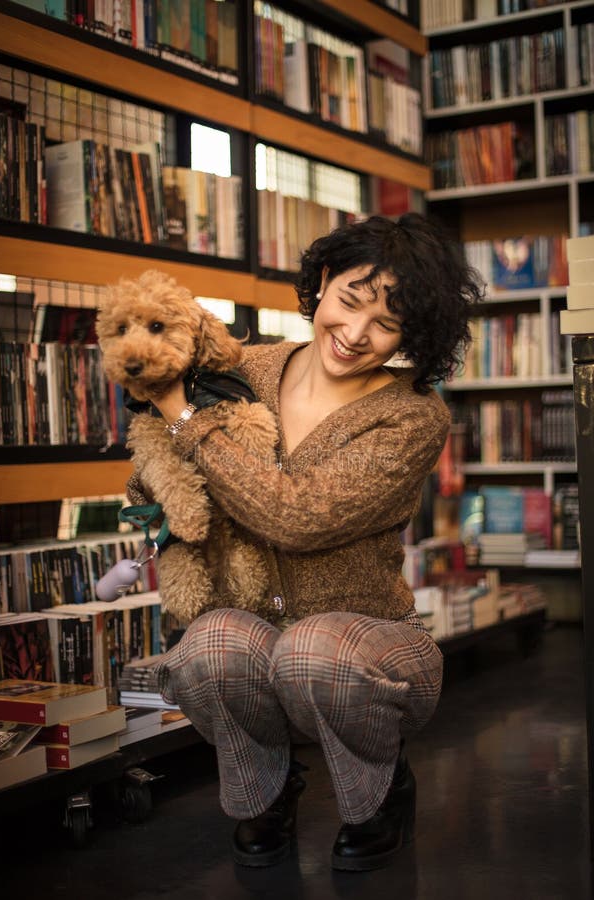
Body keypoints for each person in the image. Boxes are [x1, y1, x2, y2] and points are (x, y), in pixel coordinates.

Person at [127, 212, 483, 872]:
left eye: (387, 322)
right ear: (322, 282)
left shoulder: (413, 415)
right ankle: (266, 791)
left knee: (314, 649)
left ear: (414, 333)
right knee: (208, 644)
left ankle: (377, 795)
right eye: (348, 301)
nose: (355, 334)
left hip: (368, 647)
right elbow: (156, 477)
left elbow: (296, 517)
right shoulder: (248, 366)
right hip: (256, 640)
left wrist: (186, 421)